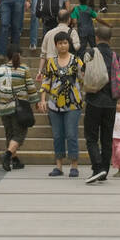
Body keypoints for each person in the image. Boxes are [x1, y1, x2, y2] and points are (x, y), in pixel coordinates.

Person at [42, 31, 85, 178]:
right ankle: (58, 166)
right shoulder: (51, 62)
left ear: (69, 44)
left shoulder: (76, 61)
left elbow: (83, 79)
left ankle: (74, 165)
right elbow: (46, 81)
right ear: (56, 45)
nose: (63, 46)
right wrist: (42, 99)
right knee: (57, 135)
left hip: (73, 104)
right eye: (60, 43)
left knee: (71, 134)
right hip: (54, 104)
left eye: (65, 43)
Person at [0, 43, 41, 171]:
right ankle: (7, 156)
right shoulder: (23, 69)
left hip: (3, 108)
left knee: (10, 134)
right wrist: (36, 101)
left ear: (7, 56)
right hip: (18, 108)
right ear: (19, 54)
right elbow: (30, 87)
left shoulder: (1, 68)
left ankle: (14, 160)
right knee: (19, 135)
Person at [83, 24, 117, 183]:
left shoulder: (91, 53)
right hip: (111, 103)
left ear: (96, 38)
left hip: (94, 101)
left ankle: (97, 168)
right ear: (110, 38)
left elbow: (83, 73)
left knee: (91, 136)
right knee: (107, 138)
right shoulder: (116, 56)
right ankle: (105, 170)